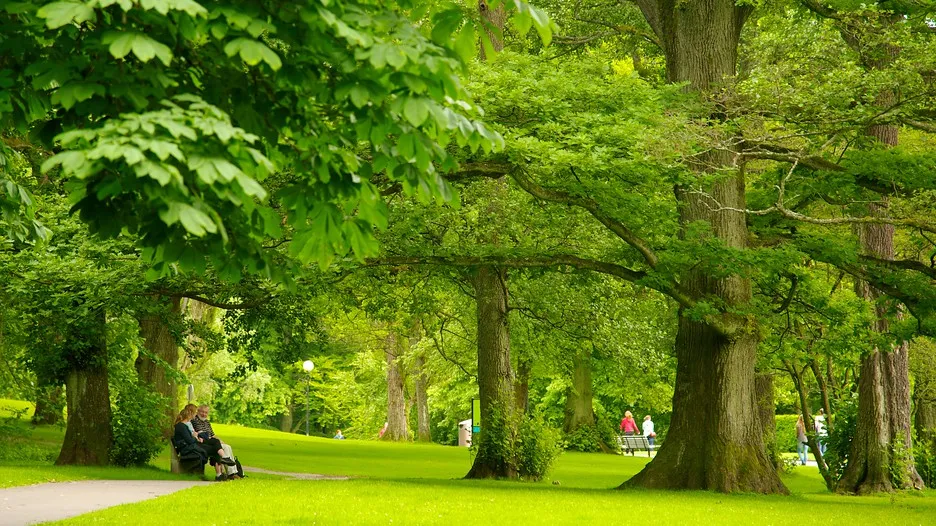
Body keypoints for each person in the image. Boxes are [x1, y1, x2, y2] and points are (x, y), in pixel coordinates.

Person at [173, 405, 235, 481]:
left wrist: (195, 437)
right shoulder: (181, 426)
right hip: (188, 448)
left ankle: (220, 472)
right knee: (215, 447)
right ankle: (220, 472)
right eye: (195, 413)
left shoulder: (184, 425)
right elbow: (190, 440)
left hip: (193, 445)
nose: (195, 414)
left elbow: (191, 439)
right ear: (190, 414)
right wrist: (196, 438)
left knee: (215, 444)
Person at [192, 404, 240, 479]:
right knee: (223, 447)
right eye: (202, 412)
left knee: (227, 446)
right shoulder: (195, 420)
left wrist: (221, 440)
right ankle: (231, 473)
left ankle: (233, 472)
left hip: (212, 441)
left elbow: (212, 435)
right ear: (198, 411)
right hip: (205, 443)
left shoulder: (207, 422)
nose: (204, 414)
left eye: (206, 412)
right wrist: (214, 439)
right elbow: (203, 435)